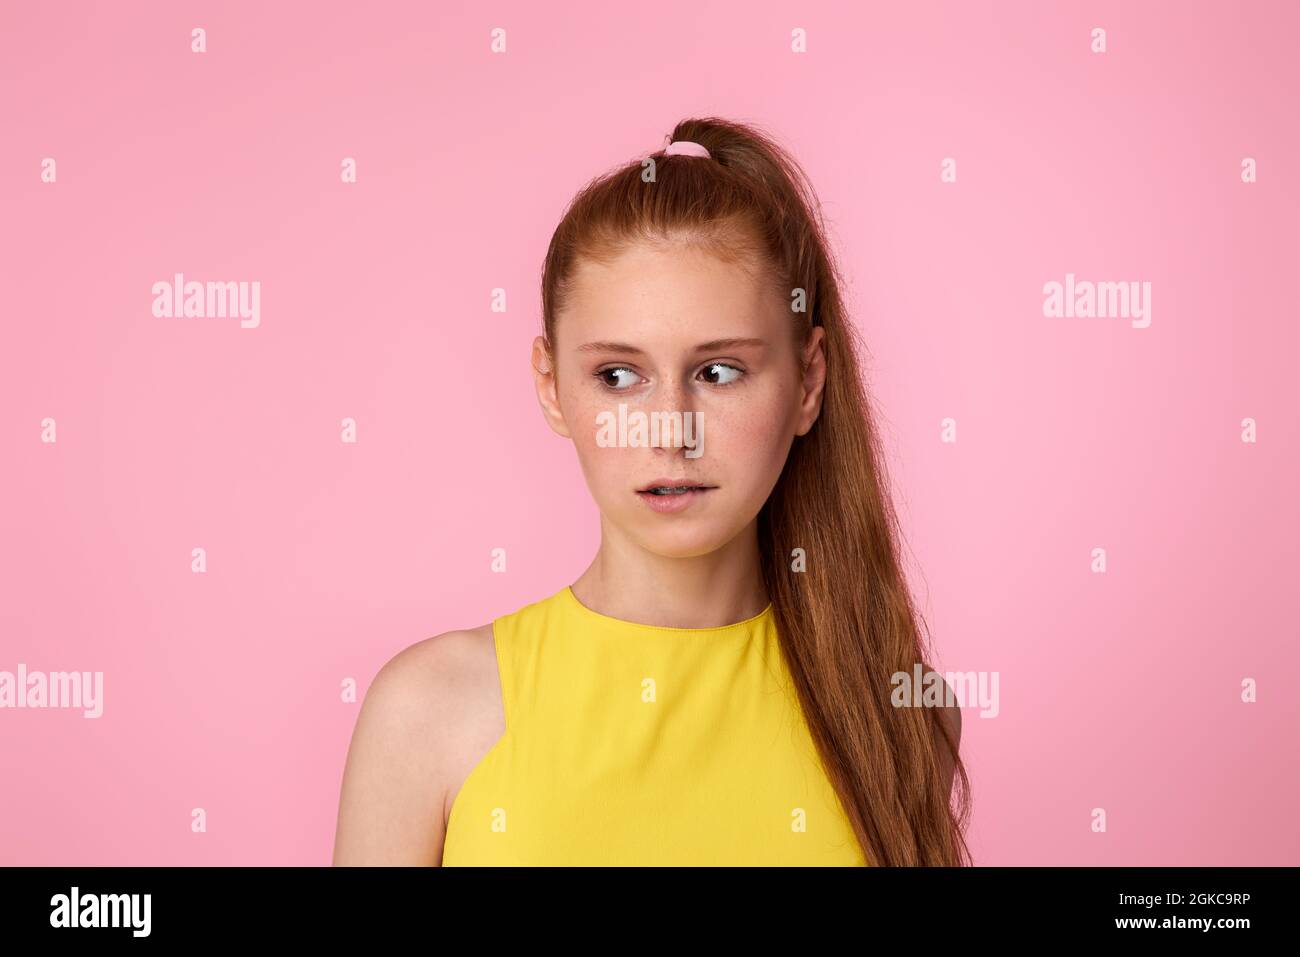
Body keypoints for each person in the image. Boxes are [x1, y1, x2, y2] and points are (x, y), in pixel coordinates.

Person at [333, 118, 971, 866]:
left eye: (720, 371)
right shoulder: (430, 713)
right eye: (618, 376)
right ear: (552, 387)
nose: (670, 431)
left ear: (808, 381)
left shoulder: (898, 711)